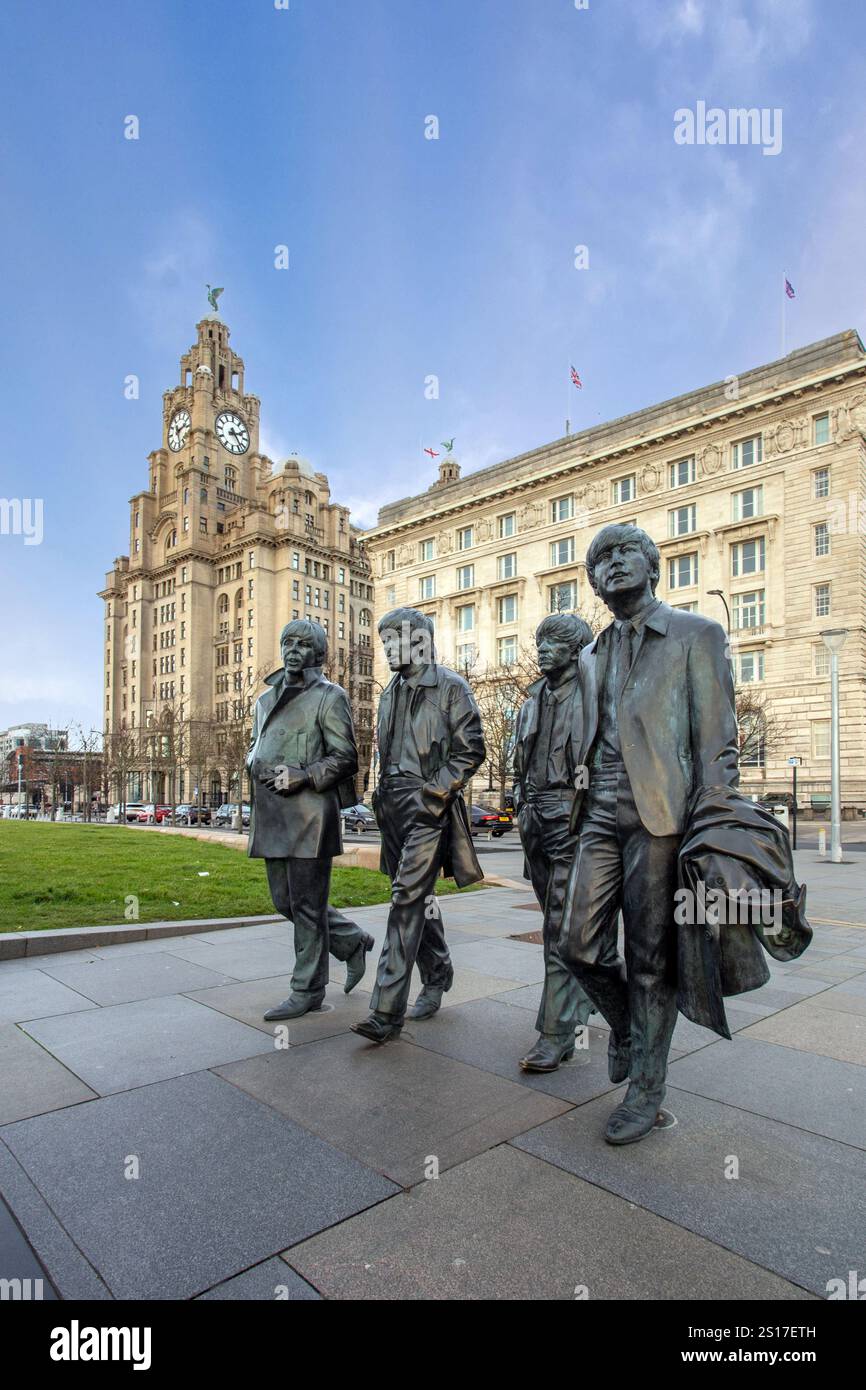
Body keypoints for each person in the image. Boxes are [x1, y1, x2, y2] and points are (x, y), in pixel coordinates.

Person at [559, 523, 738, 1144]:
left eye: (623, 551)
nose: (611, 564)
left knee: (651, 954)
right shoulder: (589, 654)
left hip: (662, 811)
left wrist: (714, 817)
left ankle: (646, 1086)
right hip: (599, 810)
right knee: (577, 942)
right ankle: (630, 1031)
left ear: (653, 564)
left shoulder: (696, 634)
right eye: (598, 559)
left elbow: (716, 741)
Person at [351, 607, 486, 1043]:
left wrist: (436, 793)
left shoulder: (450, 687)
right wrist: (377, 795)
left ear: (421, 642)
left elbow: (471, 750)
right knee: (416, 896)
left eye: (395, 640)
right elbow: (385, 752)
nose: (387, 648)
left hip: (429, 806)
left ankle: (386, 1010)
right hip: (391, 806)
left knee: (404, 898)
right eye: (385, 641)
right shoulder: (389, 692)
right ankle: (439, 970)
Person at [246, 619, 374, 1021]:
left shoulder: (329, 696)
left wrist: (303, 775)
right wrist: (253, 761)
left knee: (306, 905)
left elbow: (346, 756)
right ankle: (351, 941)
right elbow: (256, 744)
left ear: (318, 653)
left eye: (303, 644)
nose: (293, 650)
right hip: (272, 811)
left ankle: (307, 989)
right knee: (285, 901)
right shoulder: (266, 700)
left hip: (309, 814)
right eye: (288, 642)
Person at [512, 612, 608, 1073]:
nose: (542, 649)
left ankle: (555, 1032)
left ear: (576, 650)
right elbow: (520, 760)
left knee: (560, 929)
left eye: (552, 642)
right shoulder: (532, 699)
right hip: (536, 822)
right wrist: (519, 805)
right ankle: (594, 997)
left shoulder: (595, 694)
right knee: (577, 931)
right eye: (540, 641)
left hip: (577, 823)